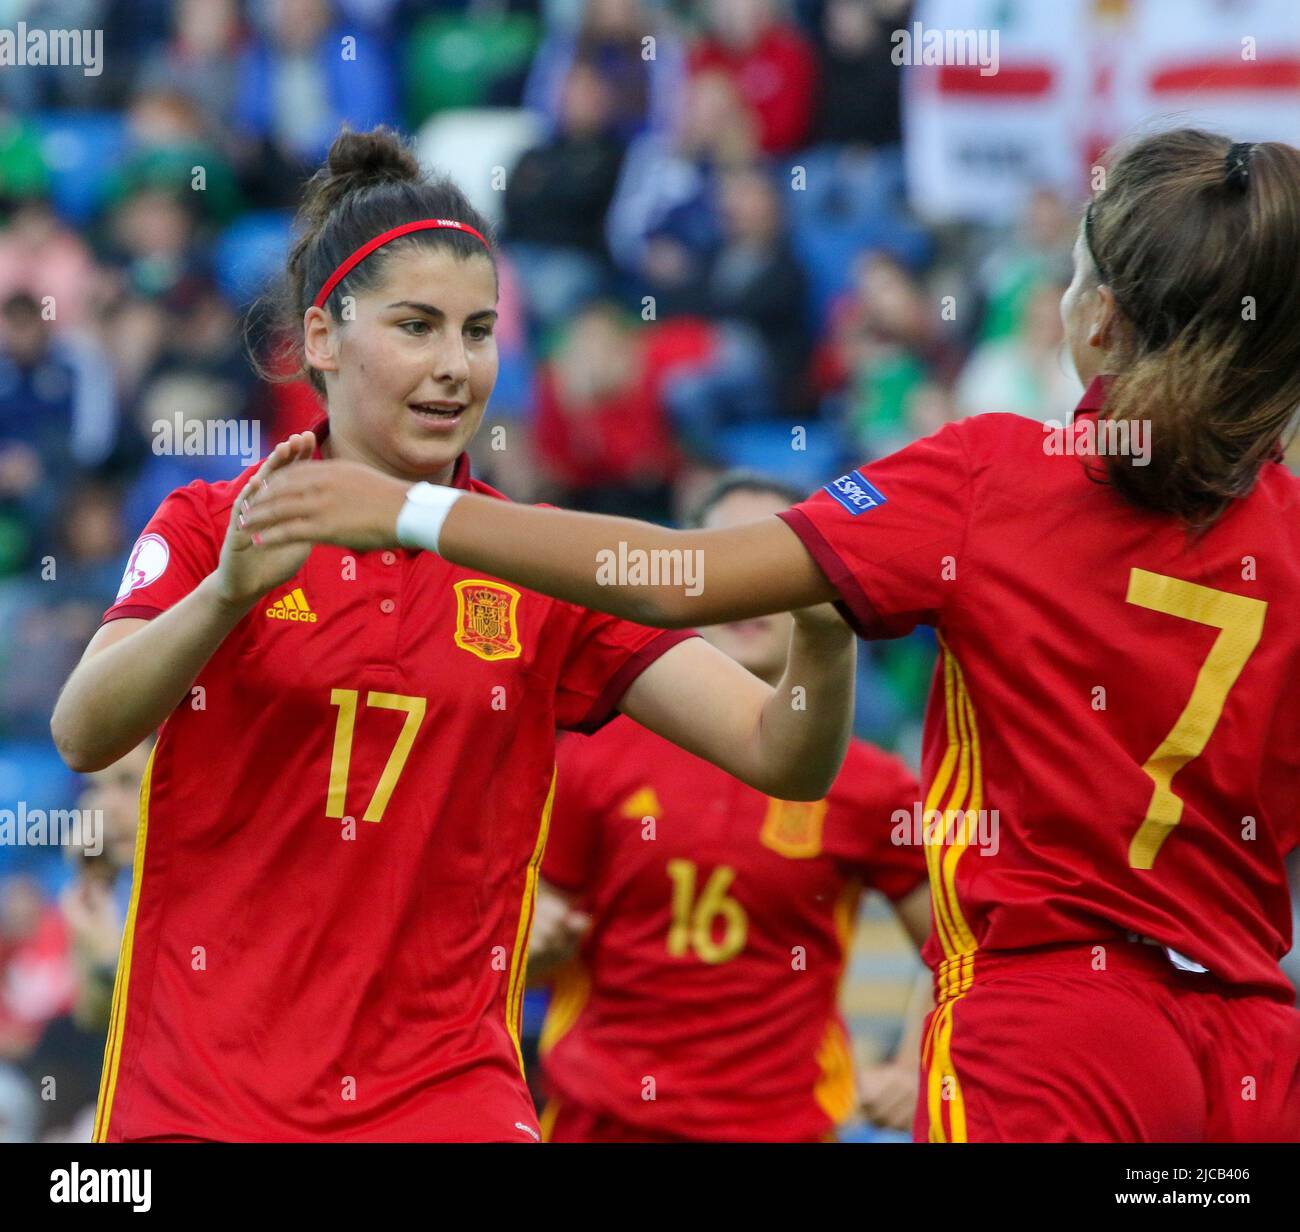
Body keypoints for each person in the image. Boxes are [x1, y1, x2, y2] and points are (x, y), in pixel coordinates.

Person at [242, 129, 1300, 1142]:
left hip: (1060, 1028)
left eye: (1068, 277)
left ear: (1100, 322)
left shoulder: (996, 476)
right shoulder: (1287, 532)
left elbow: (673, 577)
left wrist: (410, 512)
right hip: (1257, 1041)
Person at [49, 125, 857, 1143]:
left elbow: (780, 751)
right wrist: (223, 596)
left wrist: (824, 637)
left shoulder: (534, 563)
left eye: (478, 331)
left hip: (446, 1096)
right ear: (325, 338)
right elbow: (84, 731)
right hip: (207, 1095)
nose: (453, 366)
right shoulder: (217, 520)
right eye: (417, 326)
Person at [528, 473, 930, 1144]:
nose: (751, 591)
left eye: (774, 564)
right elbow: (526, 948)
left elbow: (964, 946)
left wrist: (917, 1067)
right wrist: (533, 942)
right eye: (728, 561)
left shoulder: (869, 786)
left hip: (786, 1130)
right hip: (603, 1123)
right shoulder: (590, 754)